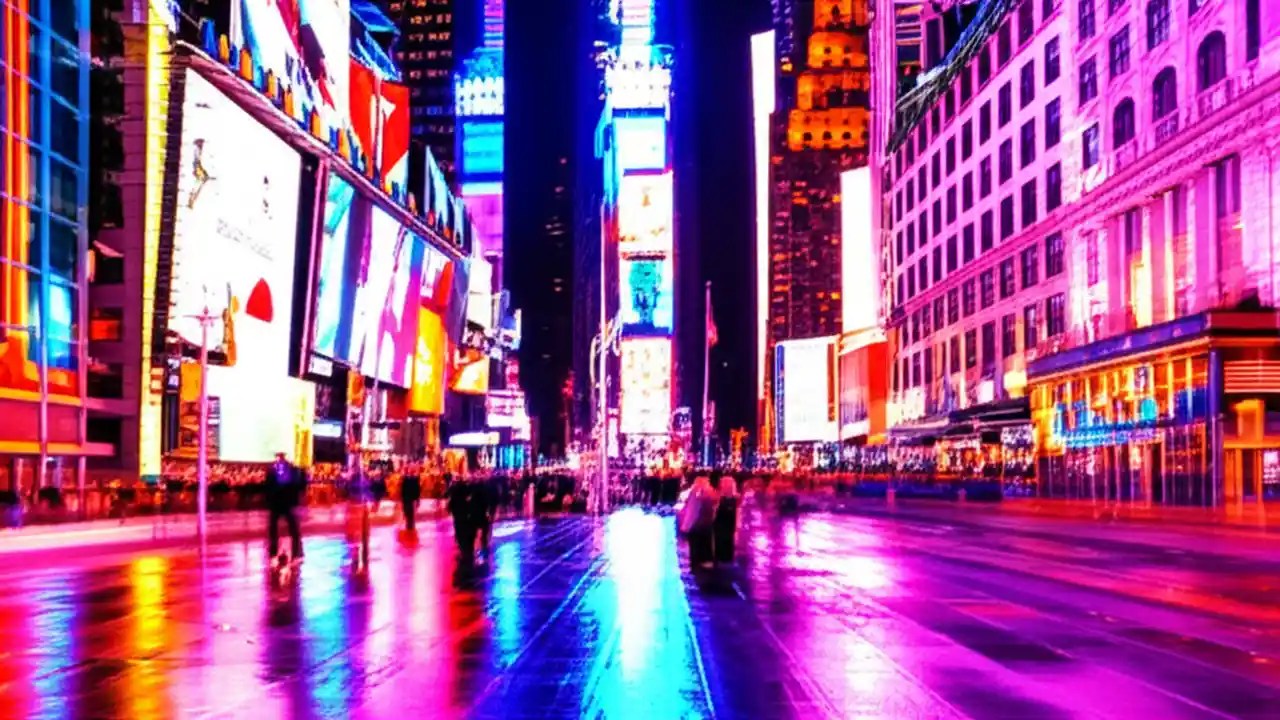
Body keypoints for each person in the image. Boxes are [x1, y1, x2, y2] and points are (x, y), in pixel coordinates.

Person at [265, 452, 304, 564]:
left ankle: (295, 552)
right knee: (280, 528)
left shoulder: (286, 470)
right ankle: (276, 552)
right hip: (280, 502)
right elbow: (269, 485)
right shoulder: (275, 470)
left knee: (290, 528)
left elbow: (296, 484)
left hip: (283, 502)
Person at [678, 475, 719, 569]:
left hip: (698, 523)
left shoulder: (695, 493)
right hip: (702, 523)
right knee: (702, 542)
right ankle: (703, 561)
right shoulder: (704, 493)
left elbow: (691, 510)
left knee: (697, 543)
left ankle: (698, 562)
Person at [447, 476, 477, 567]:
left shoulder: (455, 494)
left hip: (459, 517)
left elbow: (451, 505)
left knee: (461, 534)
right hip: (467, 517)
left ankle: (464, 552)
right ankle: (469, 552)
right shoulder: (468, 494)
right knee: (468, 534)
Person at [713, 474, 740, 565]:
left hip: (721, 527)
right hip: (728, 527)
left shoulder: (720, 499)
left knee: (721, 547)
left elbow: (715, 514)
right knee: (728, 546)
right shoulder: (735, 499)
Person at [400, 463, 421, 532]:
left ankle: (410, 524)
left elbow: (417, 489)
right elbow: (403, 489)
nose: (411, 471)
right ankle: (409, 522)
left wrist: (418, 499)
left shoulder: (415, 479)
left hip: (412, 498)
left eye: (413, 469)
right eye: (410, 469)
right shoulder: (405, 478)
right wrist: (402, 498)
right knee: (406, 511)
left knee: (411, 511)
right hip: (406, 497)